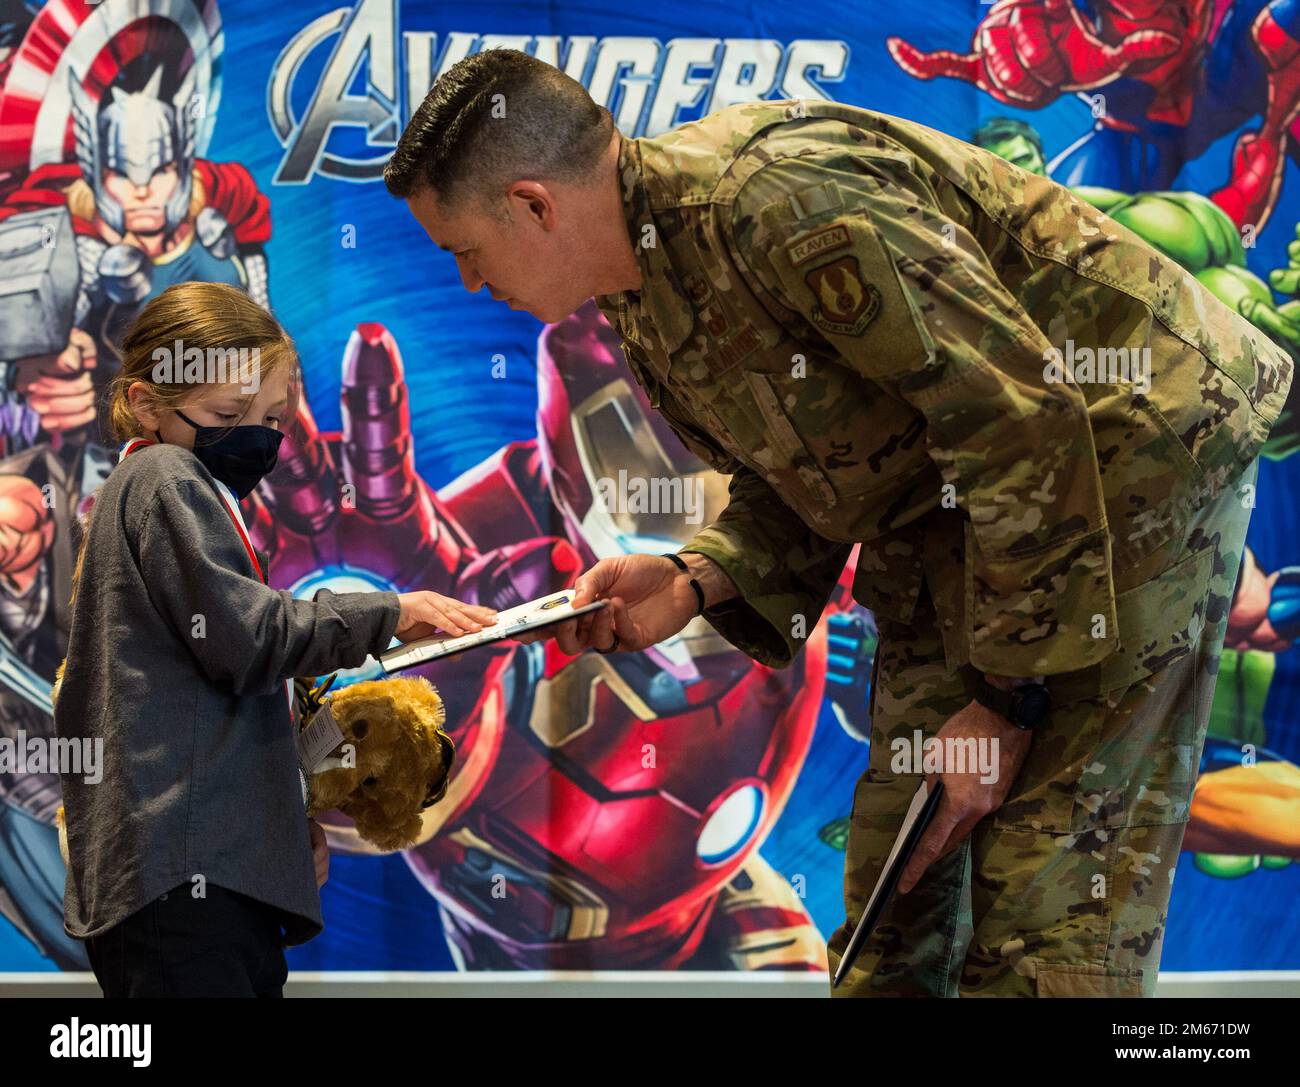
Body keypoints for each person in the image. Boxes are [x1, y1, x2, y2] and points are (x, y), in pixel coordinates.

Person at [382, 49, 1295, 997]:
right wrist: (696, 578)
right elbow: (820, 471)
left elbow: (1019, 417)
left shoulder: (784, 200)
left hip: (1126, 459)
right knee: (900, 886)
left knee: (1042, 909)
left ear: (535, 205)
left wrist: (1009, 701)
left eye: (465, 252)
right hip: (960, 499)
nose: (468, 284)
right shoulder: (637, 293)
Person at [53, 281, 497, 997]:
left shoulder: (164, 491)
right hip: (181, 883)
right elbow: (248, 637)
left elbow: (225, 677)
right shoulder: (166, 476)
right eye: (229, 414)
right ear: (146, 403)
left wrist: (277, 826)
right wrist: (388, 611)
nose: (257, 435)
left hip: (201, 875)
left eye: (271, 418)